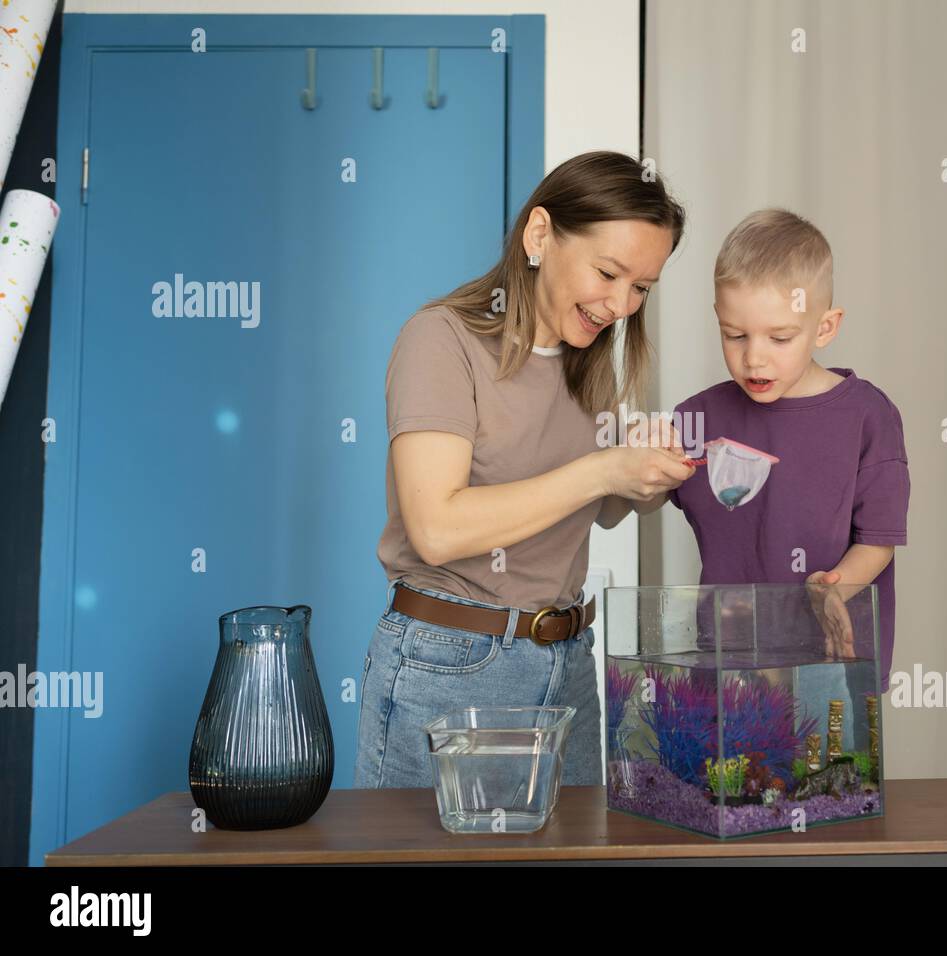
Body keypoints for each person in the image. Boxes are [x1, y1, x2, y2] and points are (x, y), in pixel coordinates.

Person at [354, 151, 694, 790]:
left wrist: (647, 472)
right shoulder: (440, 340)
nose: (622, 304)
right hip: (451, 665)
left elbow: (605, 504)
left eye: (642, 287)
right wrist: (602, 470)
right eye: (609, 272)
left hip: (567, 663)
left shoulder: (587, 363)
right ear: (540, 235)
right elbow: (438, 528)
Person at [645, 208, 911, 754]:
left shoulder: (868, 416)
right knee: (731, 795)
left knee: (826, 799)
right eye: (735, 335)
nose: (754, 357)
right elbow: (640, 492)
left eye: (780, 337)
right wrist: (640, 453)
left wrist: (834, 589)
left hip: (829, 666)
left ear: (826, 326)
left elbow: (879, 539)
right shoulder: (696, 418)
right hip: (726, 661)